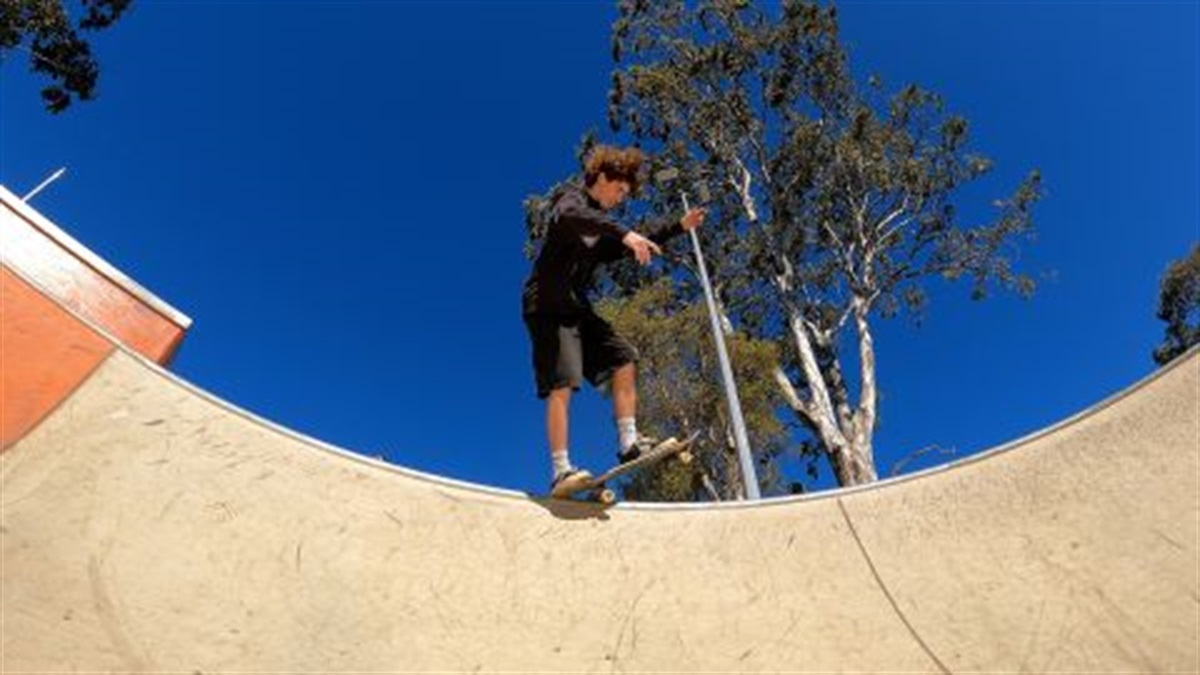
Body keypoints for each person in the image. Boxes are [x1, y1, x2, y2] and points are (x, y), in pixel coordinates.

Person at [521, 145, 706, 496]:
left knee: (623, 356)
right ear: (603, 178)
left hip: (577, 309)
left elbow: (628, 244)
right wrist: (623, 232)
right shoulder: (570, 198)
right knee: (563, 381)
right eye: (620, 190)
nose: (622, 199)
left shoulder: (602, 231)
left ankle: (629, 443)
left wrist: (678, 227)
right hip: (545, 305)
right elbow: (570, 216)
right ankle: (561, 470)